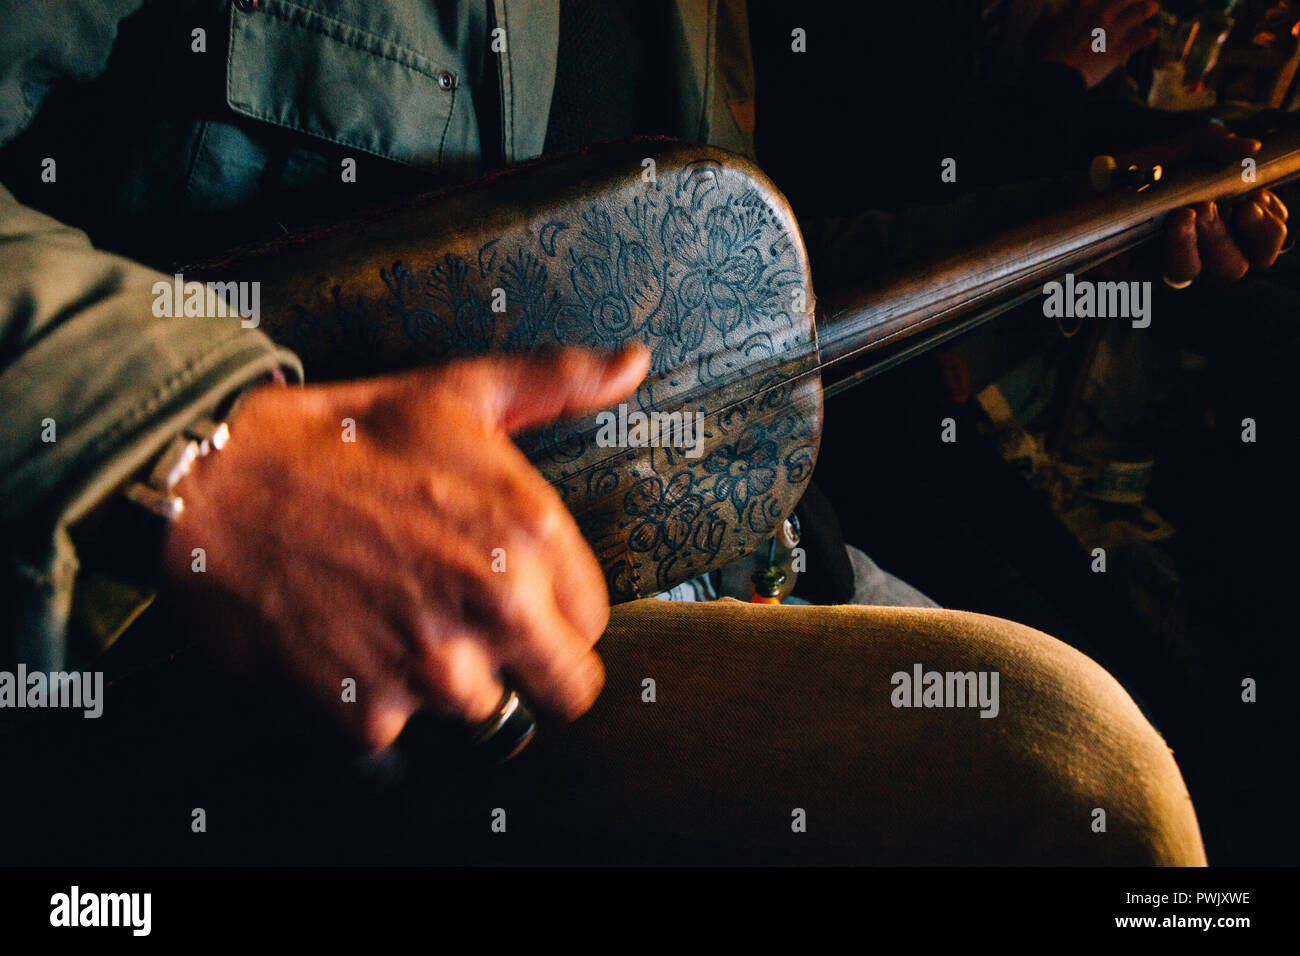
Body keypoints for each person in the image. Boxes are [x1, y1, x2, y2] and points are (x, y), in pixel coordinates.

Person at [2, 0, 1280, 865]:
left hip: (752, 551)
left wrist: (1089, 235)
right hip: (339, 671)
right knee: (1070, 781)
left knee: (1191, 738)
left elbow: (734, 281)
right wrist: (213, 448)